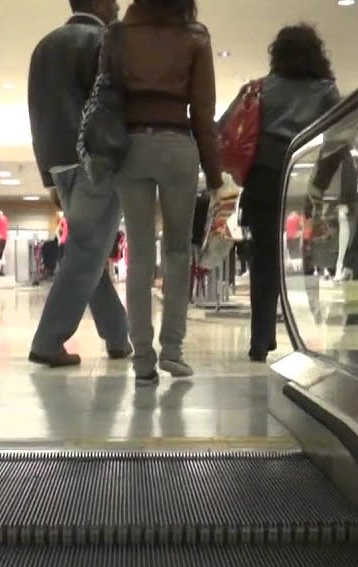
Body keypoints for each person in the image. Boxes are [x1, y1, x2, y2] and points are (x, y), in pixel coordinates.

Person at [114, 0, 222, 386]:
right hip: (177, 146)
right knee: (177, 251)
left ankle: (142, 357)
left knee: (140, 255)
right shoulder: (195, 36)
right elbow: (204, 114)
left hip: (129, 147)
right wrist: (214, 174)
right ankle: (172, 351)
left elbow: (109, 96)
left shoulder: (119, 34)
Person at [223, 24, 340, 362]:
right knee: (292, 258)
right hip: (298, 180)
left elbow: (228, 128)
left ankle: (260, 338)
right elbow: (339, 141)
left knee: (262, 259)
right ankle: (298, 332)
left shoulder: (262, 88)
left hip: (262, 179)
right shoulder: (325, 91)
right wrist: (319, 183)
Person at [27, 0, 131, 368]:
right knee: (87, 251)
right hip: (95, 162)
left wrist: (47, 175)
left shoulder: (44, 46)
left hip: (59, 165)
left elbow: (36, 114)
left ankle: (118, 334)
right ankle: (48, 341)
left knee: (92, 251)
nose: (118, 5)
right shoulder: (104, 41)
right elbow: (114, 106)